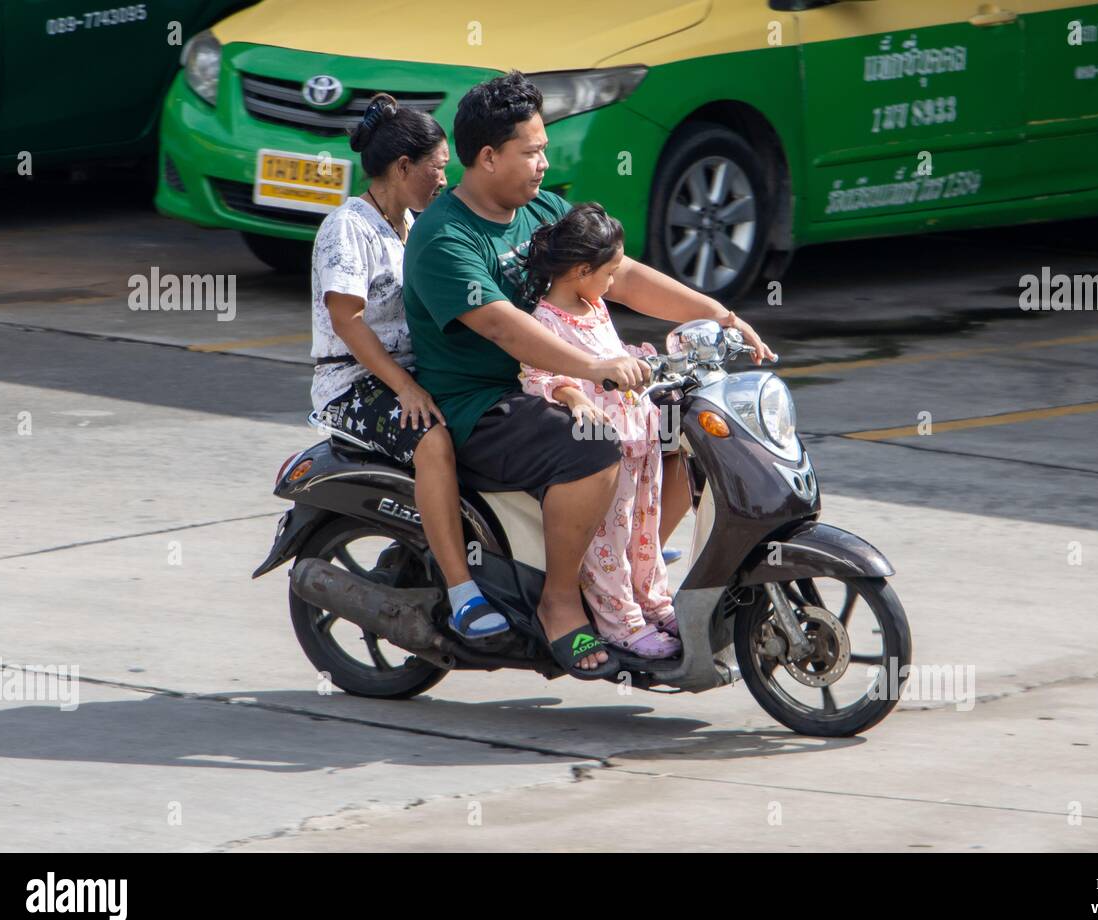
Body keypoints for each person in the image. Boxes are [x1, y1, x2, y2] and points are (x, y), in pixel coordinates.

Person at [403, 71, 774, 678]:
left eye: (544, 147)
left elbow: (618, 274)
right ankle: (560, 603)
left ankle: (635, 581)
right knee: (593, 443)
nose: (544, 162)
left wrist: (719, 315)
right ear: (489, 157)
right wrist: (597, 369)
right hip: (484, 404)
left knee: (687, 426)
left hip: (559, 384)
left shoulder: (541, 209)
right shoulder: (444, 237)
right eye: (532, 151)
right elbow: (503, 328)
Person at [311, 93, 507, 640]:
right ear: (403, 168)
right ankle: (464, 593)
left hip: (413, 375)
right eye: (438, 169)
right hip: (354, 384)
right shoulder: (349, 226)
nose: (445, 180)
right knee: (434, 442)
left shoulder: (418, 224)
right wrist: (404, 389)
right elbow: (348, 321)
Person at [518, 204, 680, 659]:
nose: (614, 281)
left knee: (643, 529)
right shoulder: (542, 321)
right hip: (601, 447)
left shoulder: (595, 305)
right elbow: (537, 377)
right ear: (582, 270)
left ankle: (653, 601)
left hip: (640, 435)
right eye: (609, 272)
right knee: (608, 538)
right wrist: (575, 397)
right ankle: (620, 623)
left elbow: (610, 353)